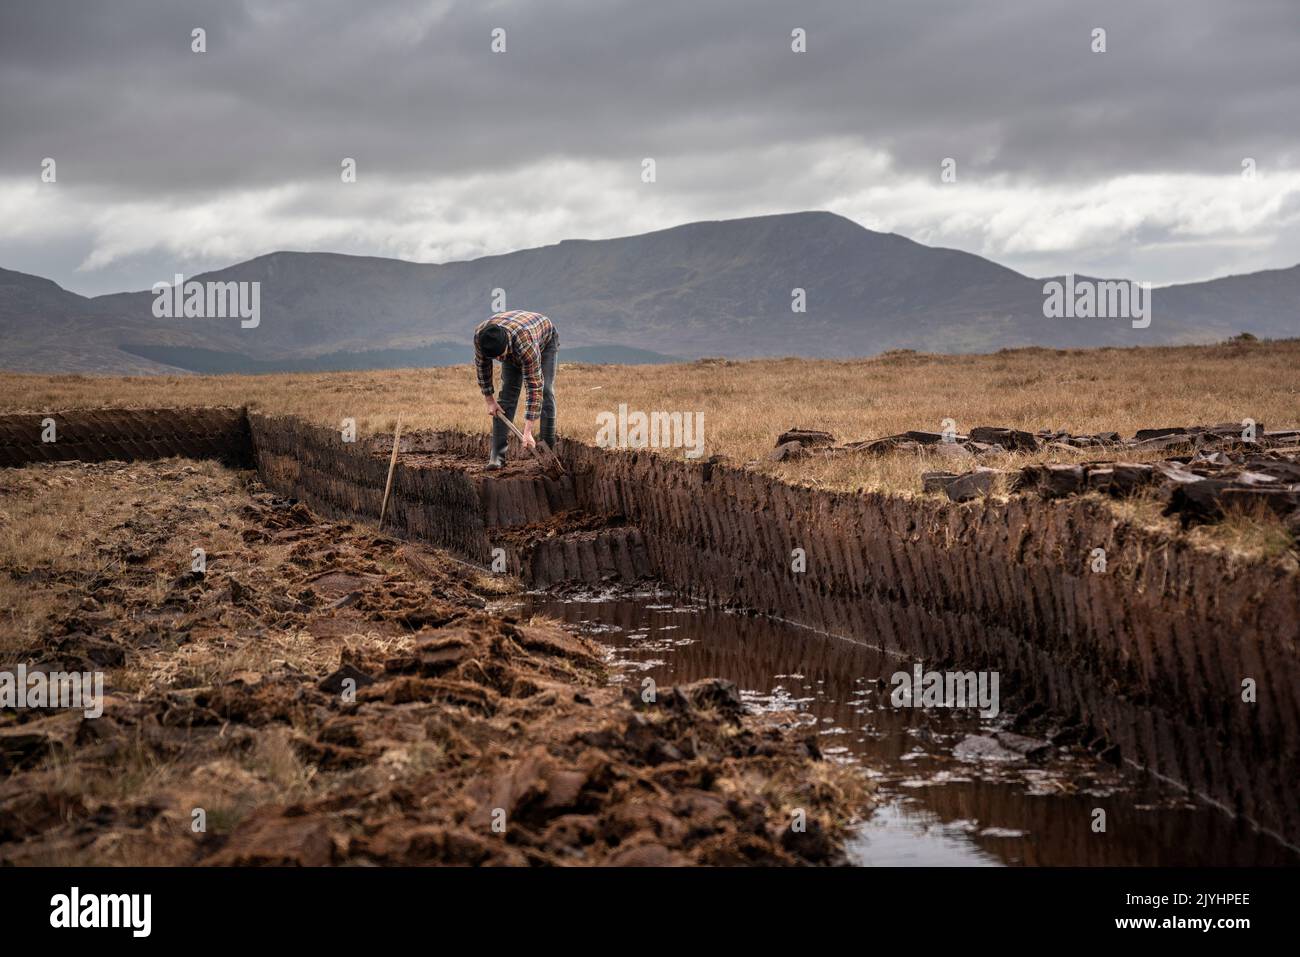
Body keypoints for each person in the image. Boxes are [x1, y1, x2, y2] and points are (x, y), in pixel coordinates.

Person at [473, 310, 559, 470]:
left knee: (546, 391)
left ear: (506, 345)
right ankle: (497, 457)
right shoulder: (481, 337)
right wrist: (489, 401)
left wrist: (527, 431)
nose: (499, 360)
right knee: (506, 396)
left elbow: (534, 386)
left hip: (544, 340)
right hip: (515, 338)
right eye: (495, 358)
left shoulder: (525, 344)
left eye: (501, 356)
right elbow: (482, 367)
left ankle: (549, 454)